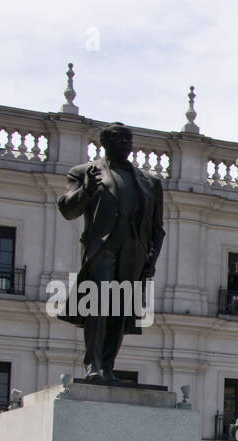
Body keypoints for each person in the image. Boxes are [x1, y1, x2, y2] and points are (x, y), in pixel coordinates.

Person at [56, 123, 166, 383]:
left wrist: (152, 258)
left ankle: (107, 366)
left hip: (133, 252)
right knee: (98, 306)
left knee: (120, 310)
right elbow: (67, 210)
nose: (126, 143)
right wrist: (88, 190)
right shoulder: (84, 172)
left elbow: (156, 227)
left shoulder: (149, 182)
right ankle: (93, 365)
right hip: (102, 249)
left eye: (129, 139)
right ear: (105, 143)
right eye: (120, 139)